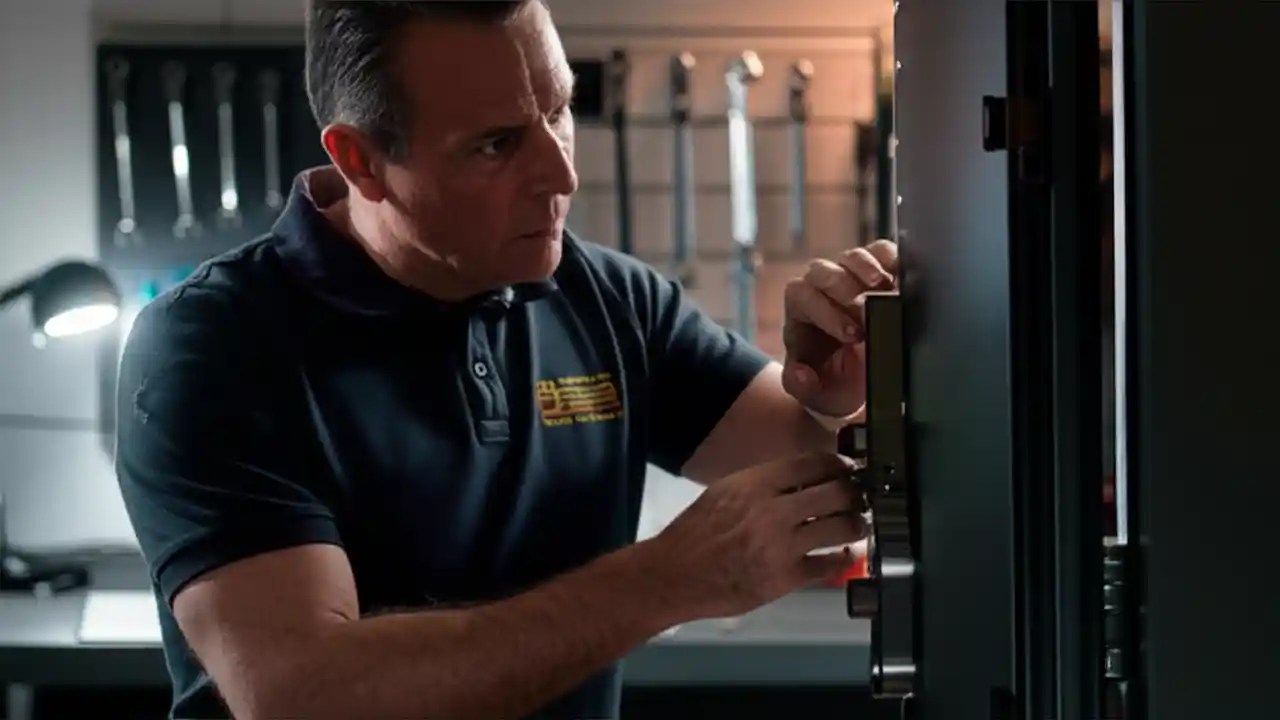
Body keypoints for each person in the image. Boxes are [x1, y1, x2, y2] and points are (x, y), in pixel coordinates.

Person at [114, 2, 900, 719]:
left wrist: (844, 391)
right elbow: (303, 694)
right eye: (496, 145)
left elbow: (843, 472)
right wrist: (667, 580)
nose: (560, 175)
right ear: (361, 161)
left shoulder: (610, 300)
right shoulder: (211, 349)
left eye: (559, 112)